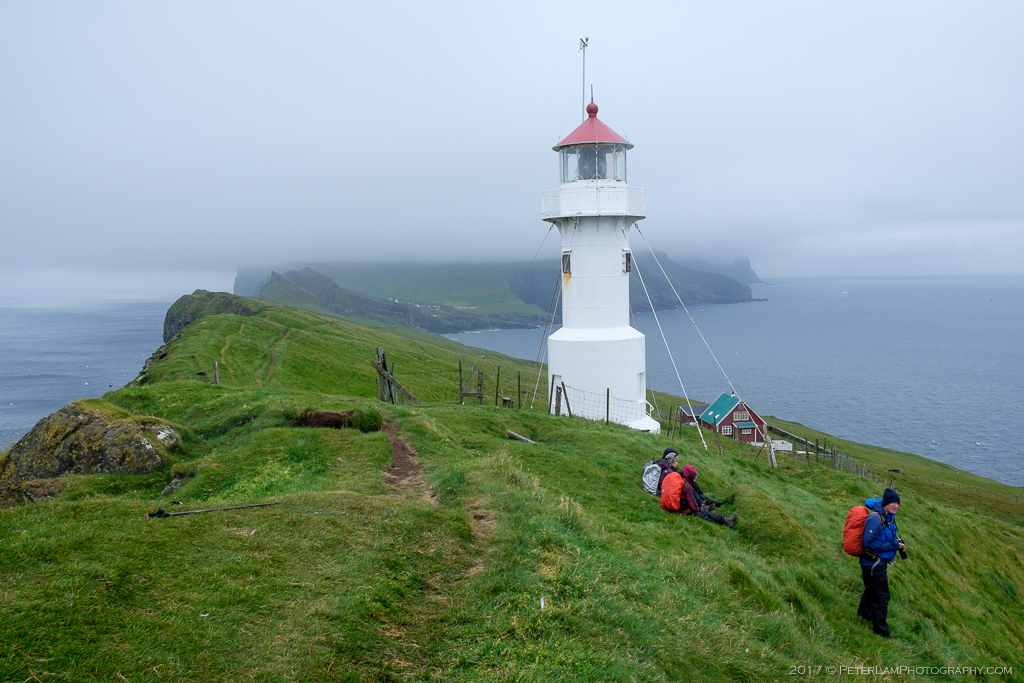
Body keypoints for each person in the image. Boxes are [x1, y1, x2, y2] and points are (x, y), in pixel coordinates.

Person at [858, 488, 905, 638]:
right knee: (882, 597)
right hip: (872, 564)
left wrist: (888, 557)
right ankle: (881, 632)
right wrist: (894, 546)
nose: (896, 505)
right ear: (885, 503)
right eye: (892, 502)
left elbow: (883, 539)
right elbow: (869, 544)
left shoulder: (888, 517)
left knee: (871, 589)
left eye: (898, 503)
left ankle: (863, 614)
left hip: (877, 561)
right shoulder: (875, 519)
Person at [661, 463, 737, 528]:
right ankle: (724, 522)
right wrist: (697, 508)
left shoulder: (680, 481)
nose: (694, 481)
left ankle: (726, 520)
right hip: (687, 511)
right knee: (705, 515)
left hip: (683, 508)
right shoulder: (687, 486)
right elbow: (691, 501)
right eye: (693, 478)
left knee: (706, 513)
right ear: (690, 477)